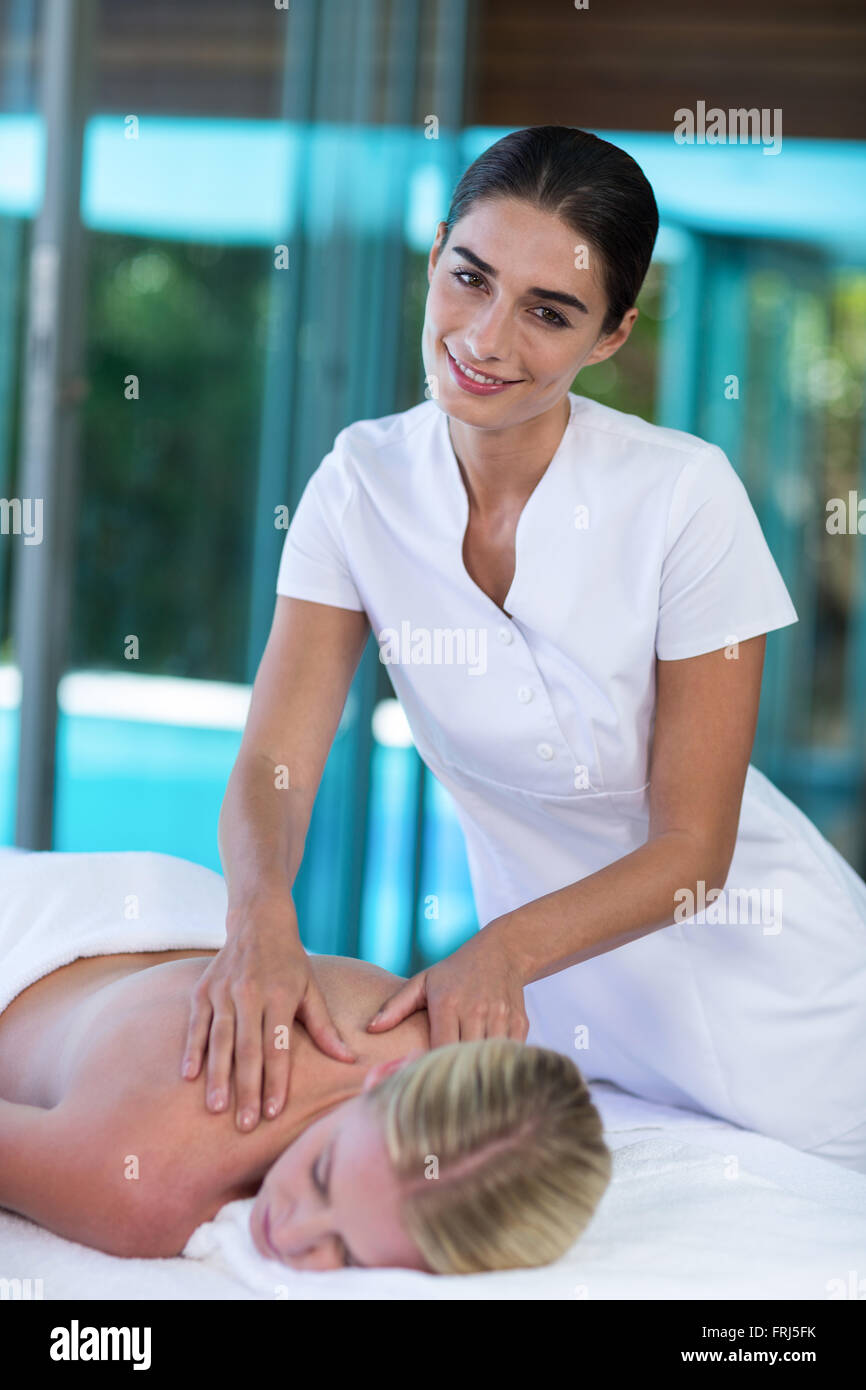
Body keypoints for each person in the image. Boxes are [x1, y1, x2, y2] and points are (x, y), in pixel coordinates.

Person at [184, 125, 866, 1170]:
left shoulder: (680, 496)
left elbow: (693, 852)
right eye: (471, 279)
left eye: (548, 313)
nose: (486, 338)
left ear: (609, 336)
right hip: (566, 1016)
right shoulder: (357, 486)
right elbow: (273, 763)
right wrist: (258, 918)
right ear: (436, 257)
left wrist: (498, 949)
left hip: (792, 1000)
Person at [0, 848, 611, 1272]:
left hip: (178, 901)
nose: (288, 1233)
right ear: (389, 1078)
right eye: (322, 1174)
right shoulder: (143, 1183)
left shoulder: (447, 1054)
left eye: (347, 1253)